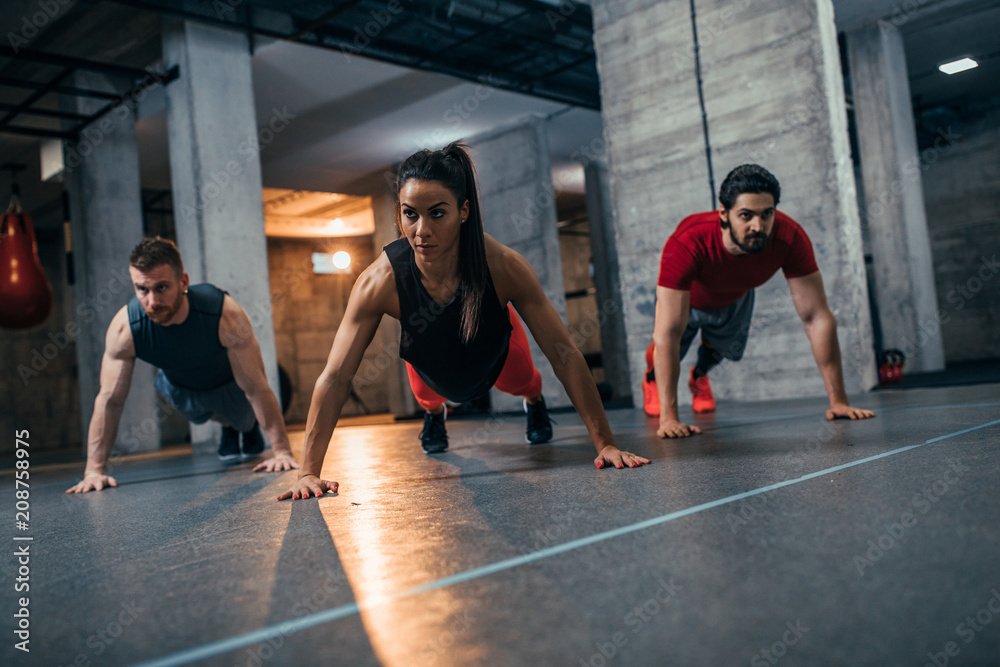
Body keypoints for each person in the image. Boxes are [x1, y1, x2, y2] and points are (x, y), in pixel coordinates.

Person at [280, 142, 650, 500]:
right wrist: (308, 471)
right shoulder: (378, 282)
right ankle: (434, 415)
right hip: (430, 359)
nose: (421, 230)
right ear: (399, 214)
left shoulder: (505, 266)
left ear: (464, 210)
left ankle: (534, 402)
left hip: (493, 350)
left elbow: (564, 354)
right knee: (428, 396)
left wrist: (606, 444)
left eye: (437, 213)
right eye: (410, 213)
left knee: (522, 381)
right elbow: (335, 376)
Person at [645, 164, 875, 439]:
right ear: (723, 214)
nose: (758, 226)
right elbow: (667, 332)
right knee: (668, 346)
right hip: (687, 301)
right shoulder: (688, 240)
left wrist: (838, 402)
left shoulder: (789, 236)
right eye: (746, 215)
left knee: (720, 352)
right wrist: (670, 419)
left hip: (735, 299)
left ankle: (700, 376)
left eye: (767, 214)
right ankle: (651, 379)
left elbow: (817, 317)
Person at [66, 238, 297, 493]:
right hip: (179, 387)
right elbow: (109, 400)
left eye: (162, 287)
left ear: (183, 282)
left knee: (241, 409)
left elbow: (256, 387)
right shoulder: (125, 329)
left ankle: (244, 427)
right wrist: (93, 471)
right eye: (142, 289)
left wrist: (281, 451)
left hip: (229, 385)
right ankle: (230, 426)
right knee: (187, 401)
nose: (152, 301)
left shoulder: (223, 314)